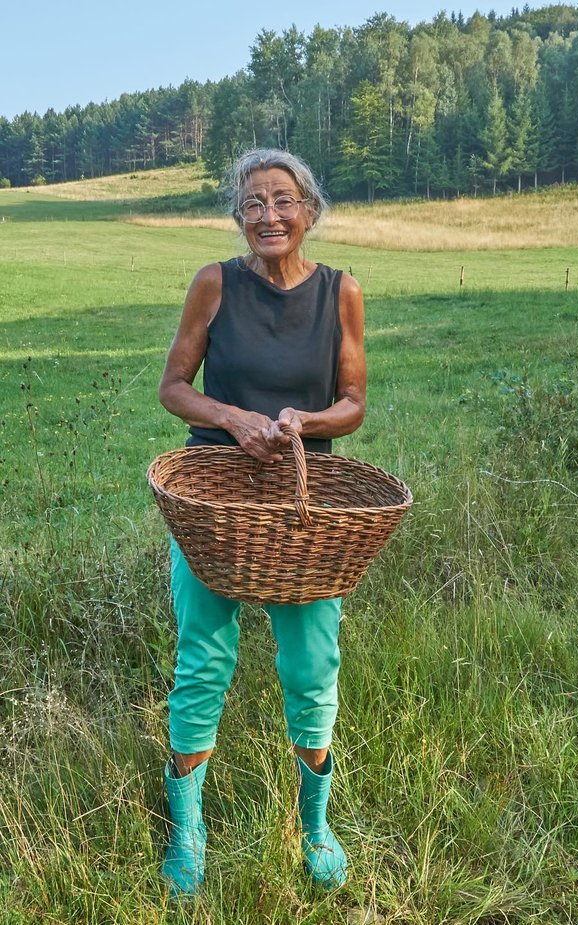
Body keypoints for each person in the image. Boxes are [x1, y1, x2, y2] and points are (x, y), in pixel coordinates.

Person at [156, 148, 366, 897]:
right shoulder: (213, 283)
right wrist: (232, 417)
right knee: (203, 657)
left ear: (309, 210)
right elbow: (174, 387)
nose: (268, 215)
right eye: (253, 202)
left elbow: (353, 403)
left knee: (311, 663)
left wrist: (302, 422)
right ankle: (188, 828)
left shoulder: (341, 291)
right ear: (237, 215)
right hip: (212, 500)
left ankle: (314, 826)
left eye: (282, 200)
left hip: (304, 505)